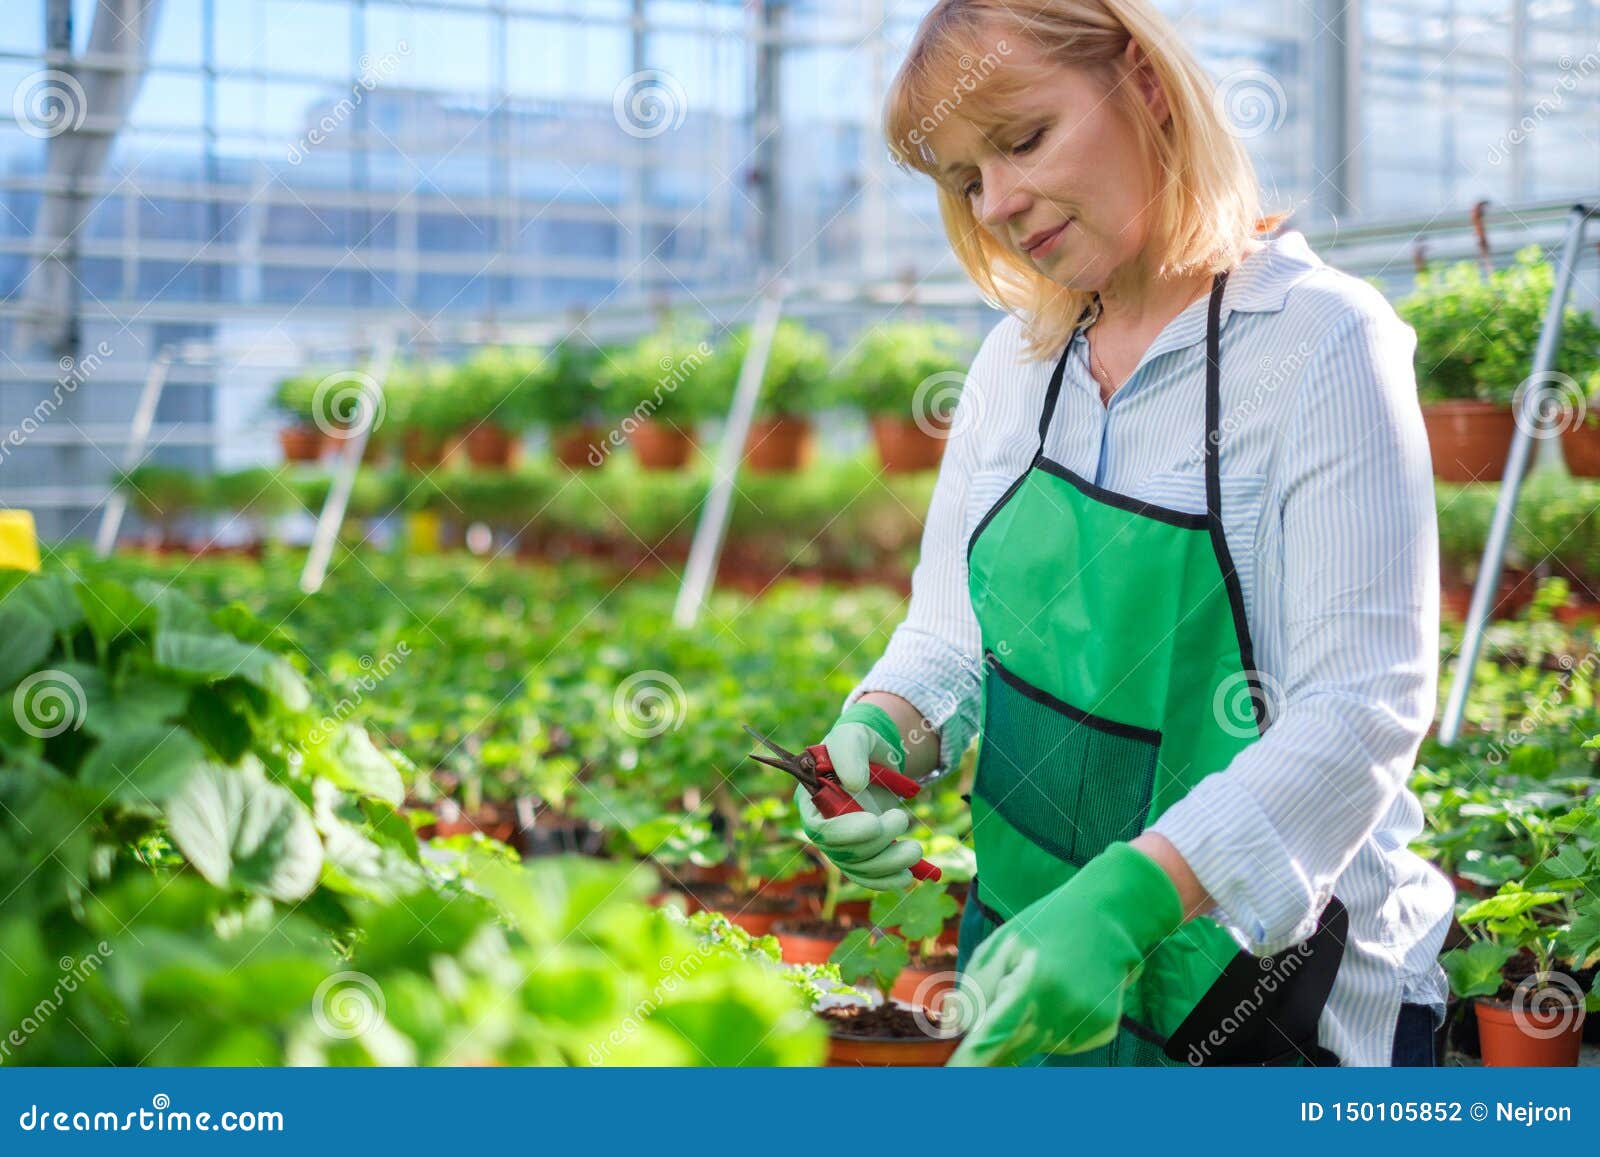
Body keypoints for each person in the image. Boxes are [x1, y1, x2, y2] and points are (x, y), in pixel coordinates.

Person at [795, 0, 1452, 1067]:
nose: (1000, 202)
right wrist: (882, 726)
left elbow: (1358, 707)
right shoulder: (1014, 367)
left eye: (1022, 139)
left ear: (1144, 82)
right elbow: (953, 635)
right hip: (1041, 962)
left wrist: (1135, 892)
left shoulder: (1320, 341)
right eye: (966, 180)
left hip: (1277, 997)